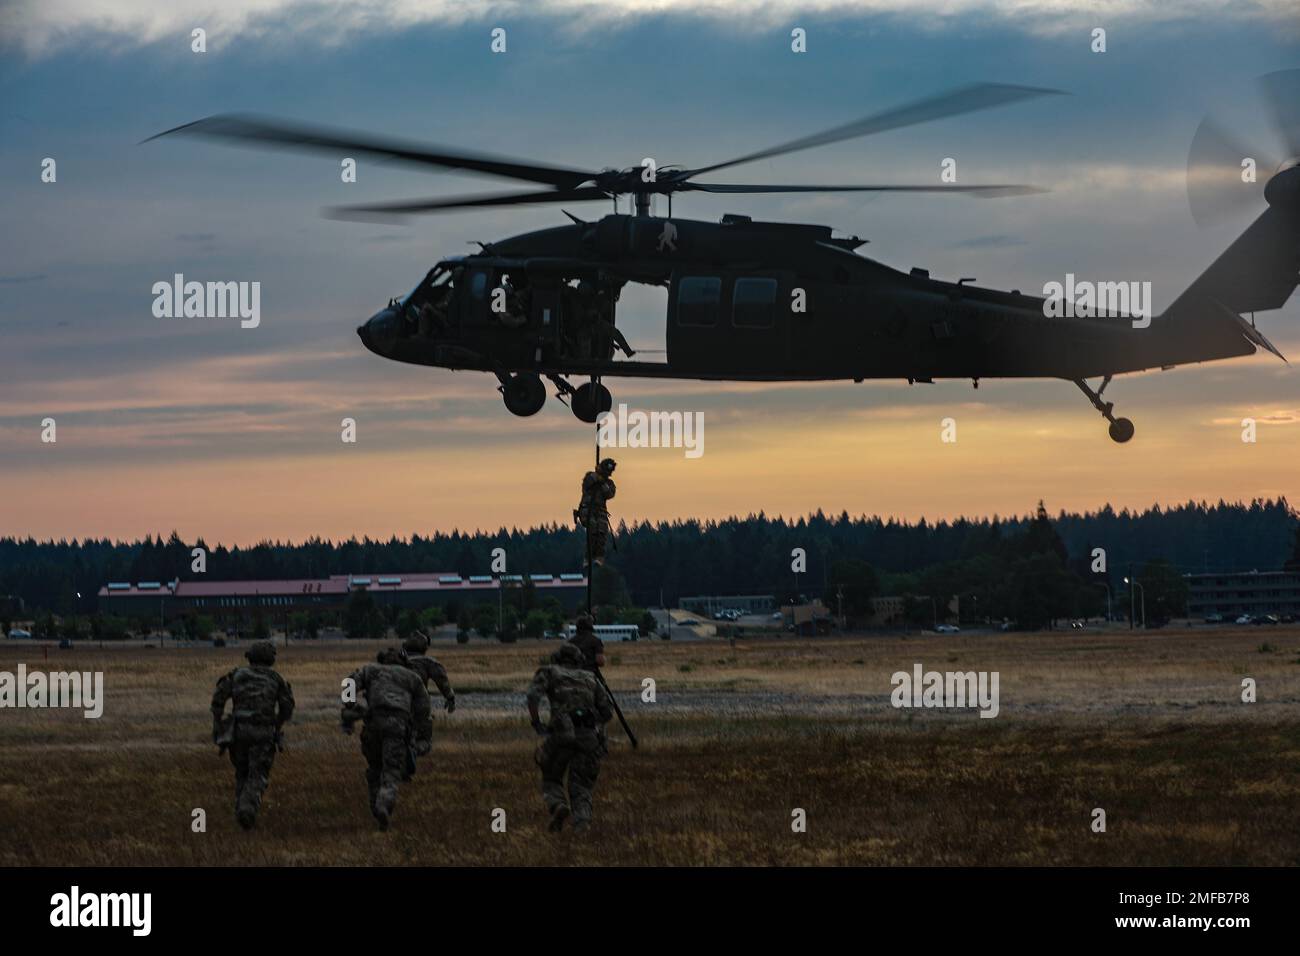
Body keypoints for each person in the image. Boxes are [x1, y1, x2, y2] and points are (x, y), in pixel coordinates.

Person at [341, 648, 432, 830]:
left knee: (374, 768)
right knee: (391, 772)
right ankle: (383, 804)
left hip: (373, 724)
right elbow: (424, 710)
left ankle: (376, 808)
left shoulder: (370, 670)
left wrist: (351, 705)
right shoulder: (412, 678)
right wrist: (423, 737)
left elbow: (349, 683)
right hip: (397, 727)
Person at [526, 642, 614, 833]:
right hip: (589, 737)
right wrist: (592, 725)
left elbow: (533, 696)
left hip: (561, 735)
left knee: (550, 777)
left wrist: (537, 723)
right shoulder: (591, 678)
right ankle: (581, 824)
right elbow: (607, 712)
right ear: (579, 660)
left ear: (557, 658)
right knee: (581, 786)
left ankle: (558, 805)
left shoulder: (549, 672)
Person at [210, 639, 295, 830]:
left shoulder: (237, 674)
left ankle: (242, 809)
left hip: (238, 732)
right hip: (262, 732)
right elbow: (287, 707)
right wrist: (277, 724)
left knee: (242, 772)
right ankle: (246, 809)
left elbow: (218, 697)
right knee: (258, 774)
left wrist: (217, 723)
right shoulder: (276, 679)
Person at [575, 457, 617, 565]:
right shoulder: (590, 476)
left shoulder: (609, 483)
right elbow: (587, 484)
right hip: (587, 509)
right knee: (592, 529)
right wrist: (597, 477)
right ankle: (587, 557)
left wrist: (603, 483)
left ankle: (599, 556)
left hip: (600, 511)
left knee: (601, 532)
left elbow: (610, 494)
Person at [401, 630, 456, 712]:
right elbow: (442, 680)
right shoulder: (428, 662)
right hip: (418, 702)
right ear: (425, 647)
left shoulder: (396, 660)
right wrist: (450, 698)